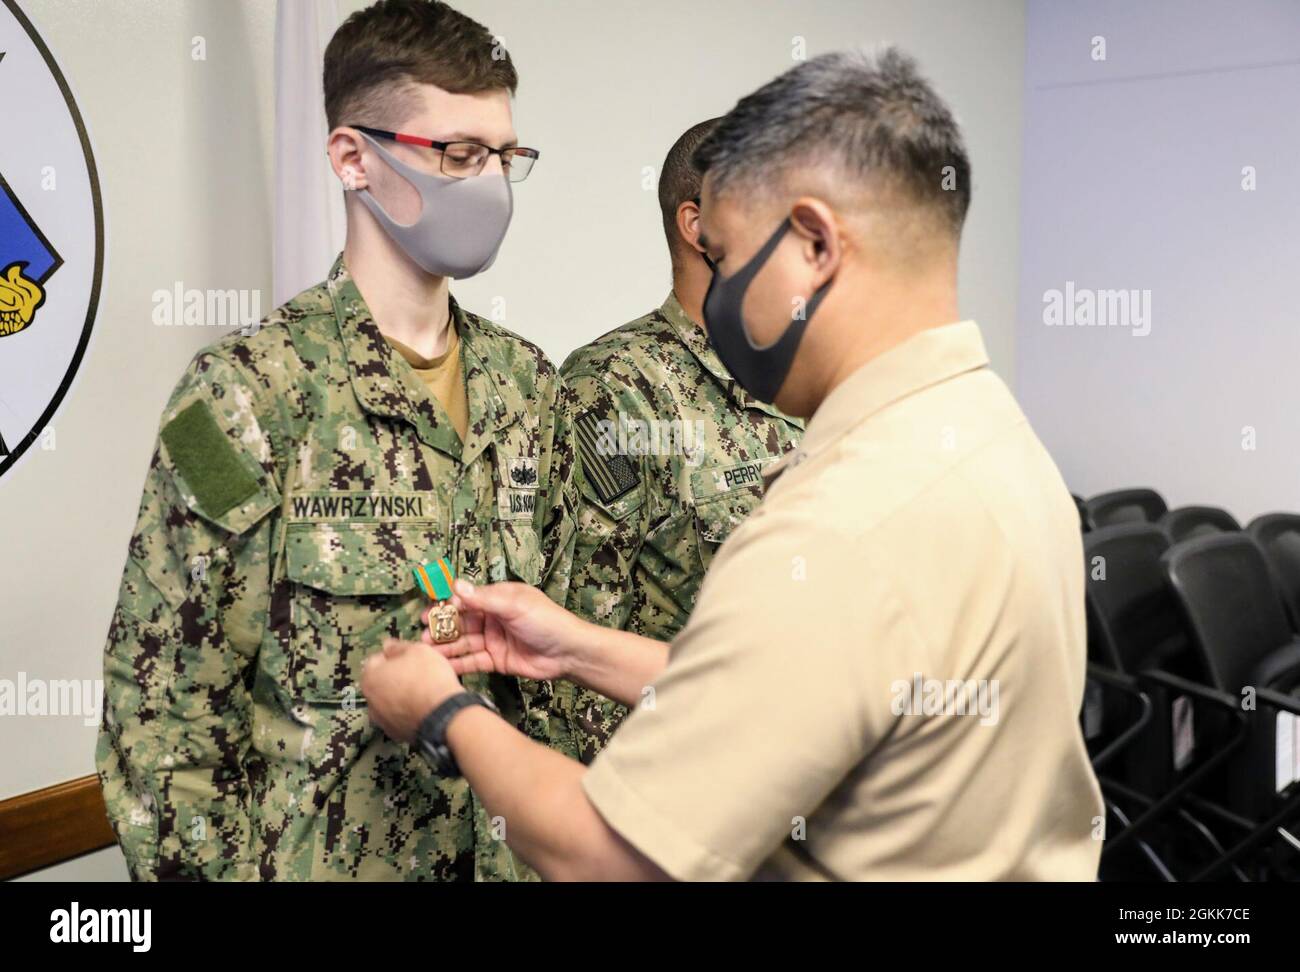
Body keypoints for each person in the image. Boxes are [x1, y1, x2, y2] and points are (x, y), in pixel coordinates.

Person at [362, 47, 1104, 881]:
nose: (721, 296)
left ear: (814, 245)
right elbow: (814, 690)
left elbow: (605, 858)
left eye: (730, 255)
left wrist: (440, 712)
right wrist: (577, 648)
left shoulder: (841, 523)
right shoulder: (988, 436)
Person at [96, 0, 578, 881]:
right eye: (460, 155)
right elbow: (165, 718)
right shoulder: (242, 397)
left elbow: (561, 680)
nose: (491, 185)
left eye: (505, 157)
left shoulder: (527, 385)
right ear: (354, 157)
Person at [560, 118, 802, 762]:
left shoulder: (808, 378)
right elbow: (580, 645)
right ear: (698, 228)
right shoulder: (615, 387)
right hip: (685, 785)